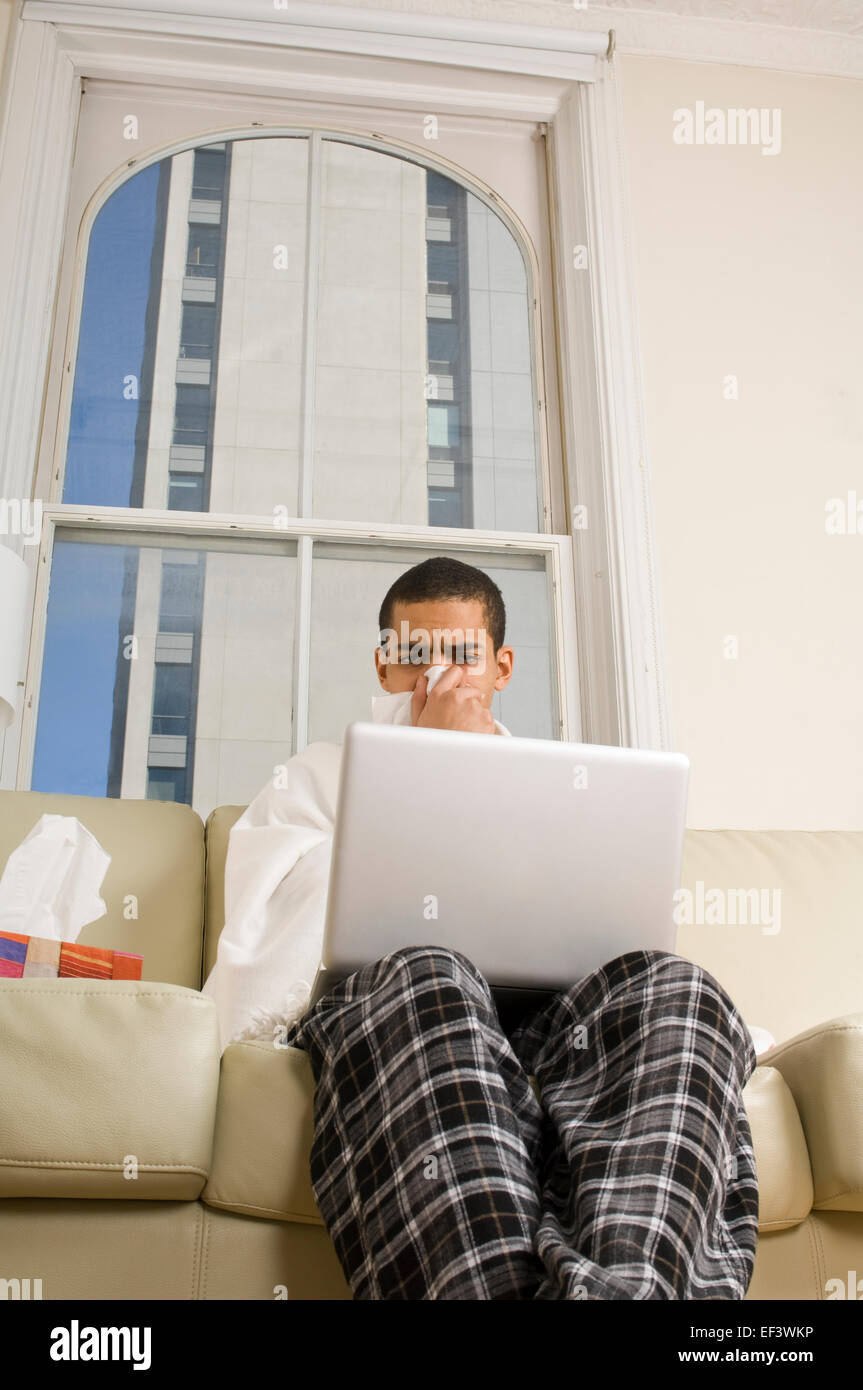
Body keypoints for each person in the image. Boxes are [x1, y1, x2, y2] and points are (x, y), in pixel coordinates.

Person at [202, 556, 760, 1300]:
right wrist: (430, 762)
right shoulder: (313, 776)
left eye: (460, 656)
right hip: (408, 1010)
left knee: (681, 990)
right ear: (383, 665)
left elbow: (613, 932)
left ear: (500, 667)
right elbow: (275, 916)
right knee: (429, 972)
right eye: (413, 656)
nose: (436, 675)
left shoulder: (568, 784)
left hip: (549, 1023)